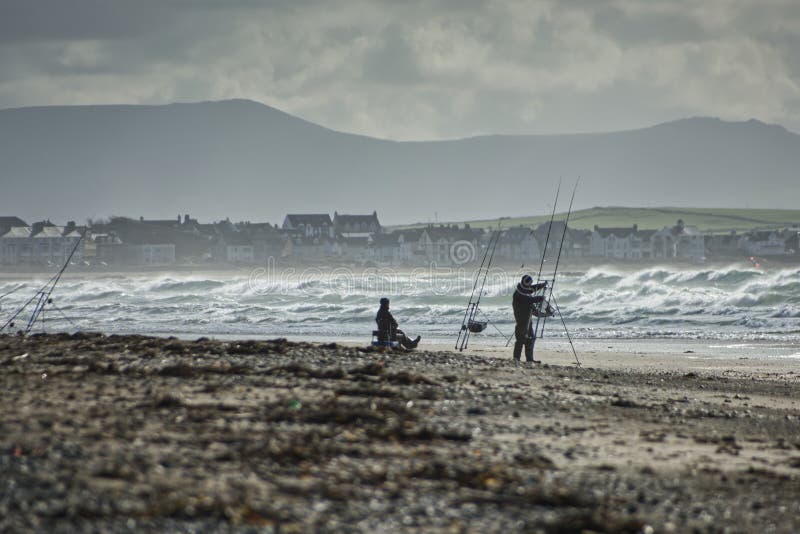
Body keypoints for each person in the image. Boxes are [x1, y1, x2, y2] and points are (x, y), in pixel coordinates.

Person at [512, 274, 553, 365]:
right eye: (529, 283)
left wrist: (542, 285)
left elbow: (532, 289)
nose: (531, 285)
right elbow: (528, 300)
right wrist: (539, 298)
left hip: (528, 320)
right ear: (525, 283)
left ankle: (529, 359)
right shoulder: (518, 294)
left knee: (531, 338)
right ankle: (516, 359)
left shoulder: (524, 289)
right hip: (522, 321)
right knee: (520, 339)